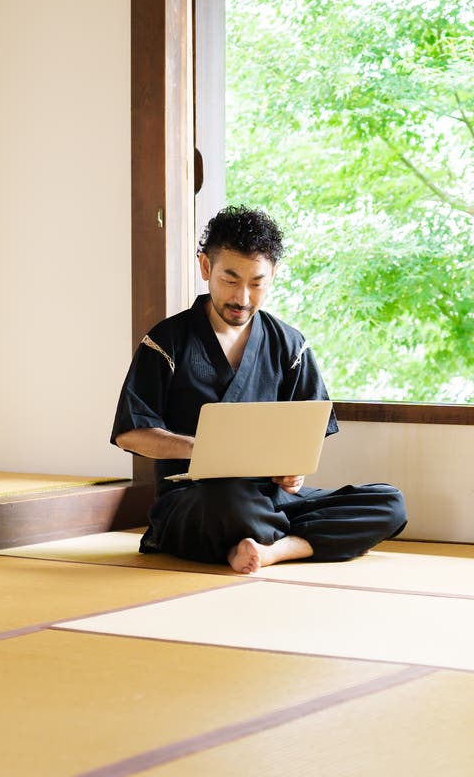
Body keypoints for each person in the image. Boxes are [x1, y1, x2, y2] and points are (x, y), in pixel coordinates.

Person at [110, 206, 408, 574]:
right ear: (206, 267)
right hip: (199, 499)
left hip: (270, 497)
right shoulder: (167, 341)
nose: (243, 298)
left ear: (274, 275)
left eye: (257, 283)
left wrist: (293, 470)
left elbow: (309, 429)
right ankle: (276, 537)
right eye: (230, 280)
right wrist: (203, 450)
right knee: (227, 500)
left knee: (388, 503)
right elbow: (130, 434)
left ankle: (270, 551)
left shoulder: (290, 344)